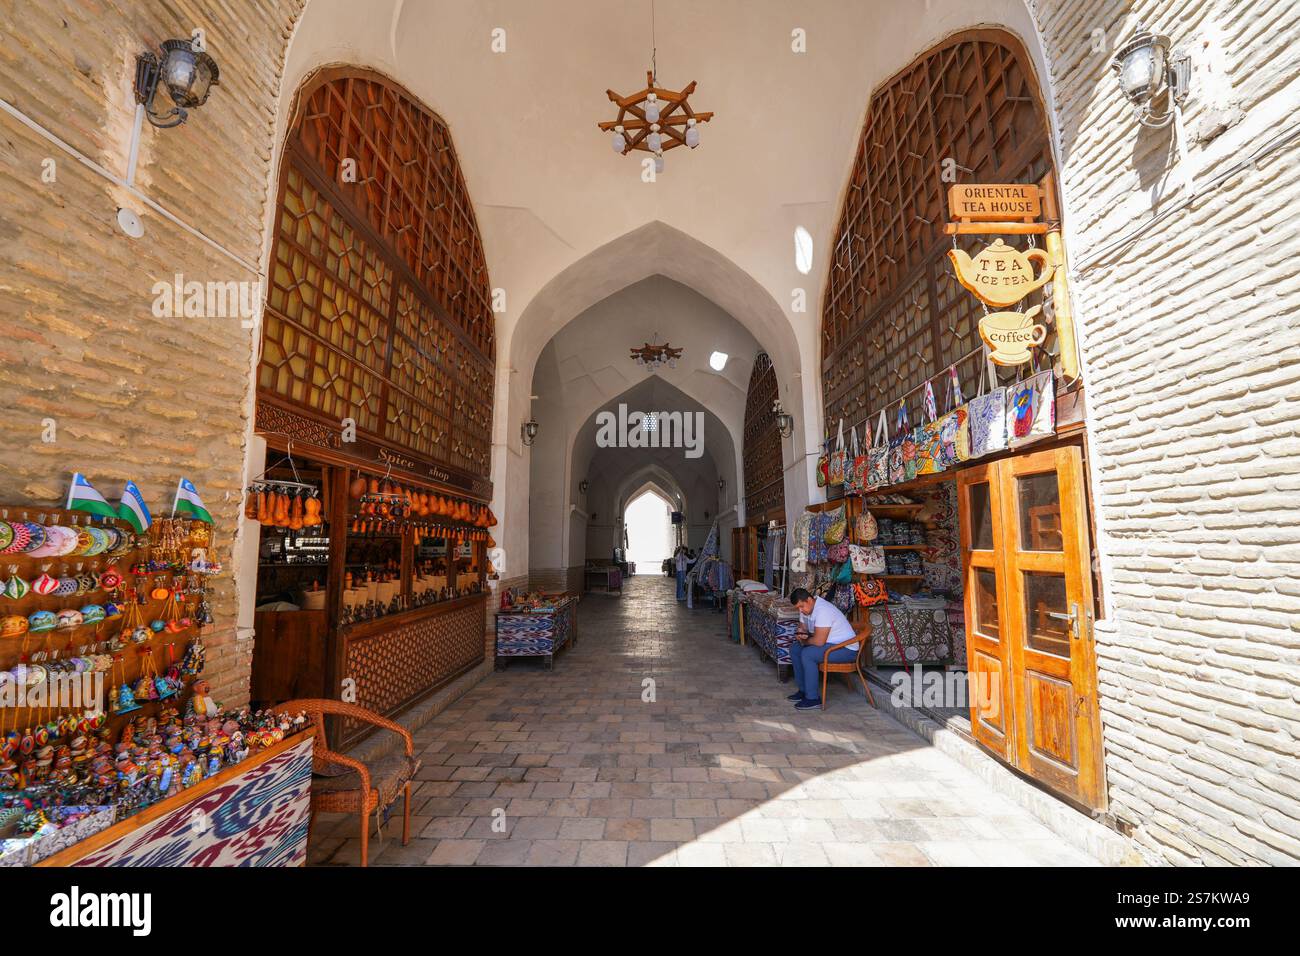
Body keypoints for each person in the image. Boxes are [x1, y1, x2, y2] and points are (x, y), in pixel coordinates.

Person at [786, 587, 859, 710]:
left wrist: (804, 642)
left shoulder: (823, 610)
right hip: (830, 645)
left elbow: (819, 642)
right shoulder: (806, 609)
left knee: (808, 654)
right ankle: (803, 690)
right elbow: (802, 626)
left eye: (801, 606)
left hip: (846, 649)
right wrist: (801, 632)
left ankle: (813, 698)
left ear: (809, 600)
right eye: (798, 608)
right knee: (795, 648)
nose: (800, 610)